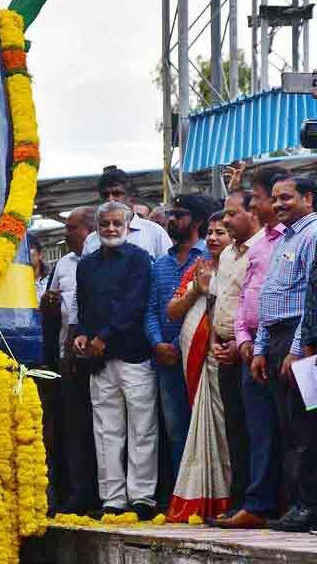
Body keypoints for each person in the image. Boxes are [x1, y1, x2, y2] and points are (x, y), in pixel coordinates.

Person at [215, 164, 287, 529]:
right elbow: (249, 298)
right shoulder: (261, 245)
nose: (261, 205)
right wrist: (248, 342)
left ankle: (284, 504)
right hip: (256, 348)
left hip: (285, 343)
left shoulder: (292, 239)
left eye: (260, 198)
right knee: (254, 431)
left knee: (288, 431)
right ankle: (255, 503)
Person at [75, 201, 158, 520]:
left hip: (133, 354)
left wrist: (103, 336)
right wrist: (84, 334)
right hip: (98, 361)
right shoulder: (87, 264)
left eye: (116, 223)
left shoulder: (140, 260)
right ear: (97, 228)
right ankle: (112, 498)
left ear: (127, 225)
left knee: (142, 428)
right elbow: (83, 307)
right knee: (106, 431)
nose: (111, 229)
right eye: (105, 224)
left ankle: (142, 497)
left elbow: (134, 305)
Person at [251, 176, 317, 532]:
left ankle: (308, 507)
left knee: (305, 429)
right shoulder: (284, 238)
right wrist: (262, 348)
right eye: (274, 199)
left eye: (286, 198)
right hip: (276, 339)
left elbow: (312, 297)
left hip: (299, 338)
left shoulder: (313, 234)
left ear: (308, 198)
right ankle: (298, 504)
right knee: (289, 429)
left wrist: (295, 349)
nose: (277, 205)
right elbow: (268, 297)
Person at [145, 193, 218, 494]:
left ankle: (207, 494)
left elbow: (208, 308)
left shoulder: (210, 258)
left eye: (180, 214)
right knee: (175, 430)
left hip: (197, 355)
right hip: (165, 360)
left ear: (198, 221)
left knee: (204, 428)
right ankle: (181, 496)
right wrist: (157, 343)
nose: (172, 220)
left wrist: (178, 344)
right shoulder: (160, 263)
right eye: (170, 214)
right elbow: (150, 309)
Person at [164, 213, 233, 521]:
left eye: (221, 232)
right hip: (198, 363)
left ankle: (230, 497)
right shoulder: (199, 267)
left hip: (225, 359)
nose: (214, 238)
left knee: (227, 430)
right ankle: (204, 498)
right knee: (200, 427)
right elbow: (172, 311)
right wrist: (197, 289)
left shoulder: (237, 265)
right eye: (210, 232)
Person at [42, 206, 97, 514]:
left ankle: (105, 494)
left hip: (101, 356)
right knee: (73, 429)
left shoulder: (102, 259)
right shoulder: (63, 263)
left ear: (89, 230)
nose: (66, 234)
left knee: (103, 429)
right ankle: (77, 494)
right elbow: (54, 310)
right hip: (68, 359)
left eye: (71, 229)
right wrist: (48, 305)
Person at [83, 167, 172, 258]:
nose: (110, 200)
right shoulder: (92, 240)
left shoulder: (154, 232)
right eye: (105, 195)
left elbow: (168, 269)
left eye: (117, 193)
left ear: (131, 197)